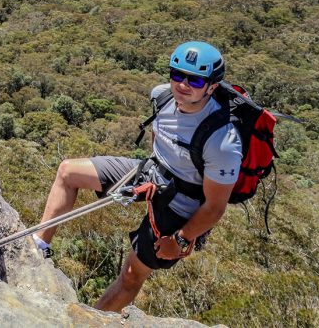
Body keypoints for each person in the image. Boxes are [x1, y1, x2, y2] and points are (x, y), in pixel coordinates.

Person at [32, 41, 242, 312]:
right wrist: (145, 180)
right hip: (152, 171)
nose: (183, 84)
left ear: (212, 87)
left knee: (132, 274)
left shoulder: (222, 141)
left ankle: (94, 319)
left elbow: (215, 206)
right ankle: (39, 246)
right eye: (177, 75)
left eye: (195, 80)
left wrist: (181, 239)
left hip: (184, 201)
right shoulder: (162, 96)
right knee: (68, 171)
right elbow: (159, 142)